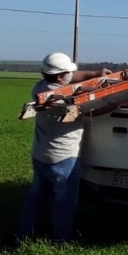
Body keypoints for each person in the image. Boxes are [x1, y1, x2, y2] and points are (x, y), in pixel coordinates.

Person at [16, 52, 111, 244]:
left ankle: (22, 234)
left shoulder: (40, 88)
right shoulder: (65, 101)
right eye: (67, 73)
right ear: (61, 77)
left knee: (36, 197)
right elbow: (99, 109)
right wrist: (124, 100)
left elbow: (71, 78)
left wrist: (96, 73)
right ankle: (61, 239)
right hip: (63, 159)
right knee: (64, 201)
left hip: (41, 155)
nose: (71, 75)